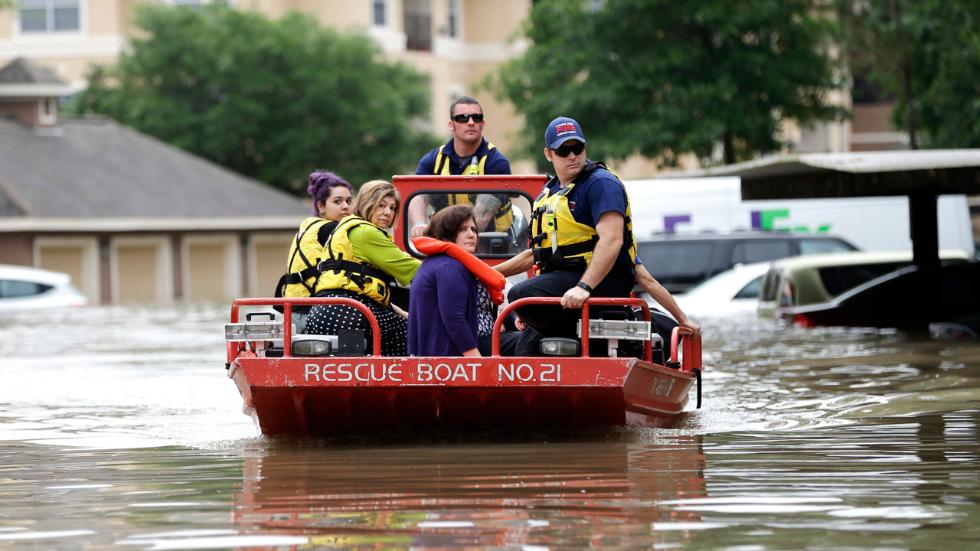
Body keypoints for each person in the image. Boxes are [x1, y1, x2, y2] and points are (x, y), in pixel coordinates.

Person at [506, 116, 643, 355]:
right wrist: (485, 274)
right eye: (563, 150)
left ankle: (580, 337)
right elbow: (536, 254)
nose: (572, 155)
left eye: (577, 148)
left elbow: (612, 240)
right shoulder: (552, 191)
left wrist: (583, 286)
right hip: (566, 281)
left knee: (521, 294)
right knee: (524, 351)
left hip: (600, 280)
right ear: (548, 154)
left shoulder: (600, 183)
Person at [305, 180, 421, 356]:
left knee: (405, 324)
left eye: (392, 207)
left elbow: (366, 289)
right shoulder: (365, 232)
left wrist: (404, 314)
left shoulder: (351, 228)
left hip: (324, 311)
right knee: (413, 335)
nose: (388, 212)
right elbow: (415, 270)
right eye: (381, 205)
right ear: (367, 203)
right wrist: (449, 270)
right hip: (348, 312)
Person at [408, 205, 530, 357]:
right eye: (463, 229)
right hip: (457, 351)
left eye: (473, 229)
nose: (471, 235)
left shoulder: (442, 263)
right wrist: (475, 360)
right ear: (447, 233)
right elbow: (454, 318)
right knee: (534, 341)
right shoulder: (449, 267)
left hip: (461, 345)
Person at [409, 96, 512, 238]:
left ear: (483, 123)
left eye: (476, 117)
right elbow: (417, 196)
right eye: (463, 118)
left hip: (493, 245)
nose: (471, 123)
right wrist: (419, 224)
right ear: (451, 125)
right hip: (447, 240)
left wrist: (447, 237)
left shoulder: (496, 162)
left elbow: (480, 218)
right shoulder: (433, 161)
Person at [277, 170, 353, 300]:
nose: (345, 206)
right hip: (308, 308)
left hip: (297, 306)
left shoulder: (310, 226)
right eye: (338, 201)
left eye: (349, 201)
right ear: (321, 206)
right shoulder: (329, 229)